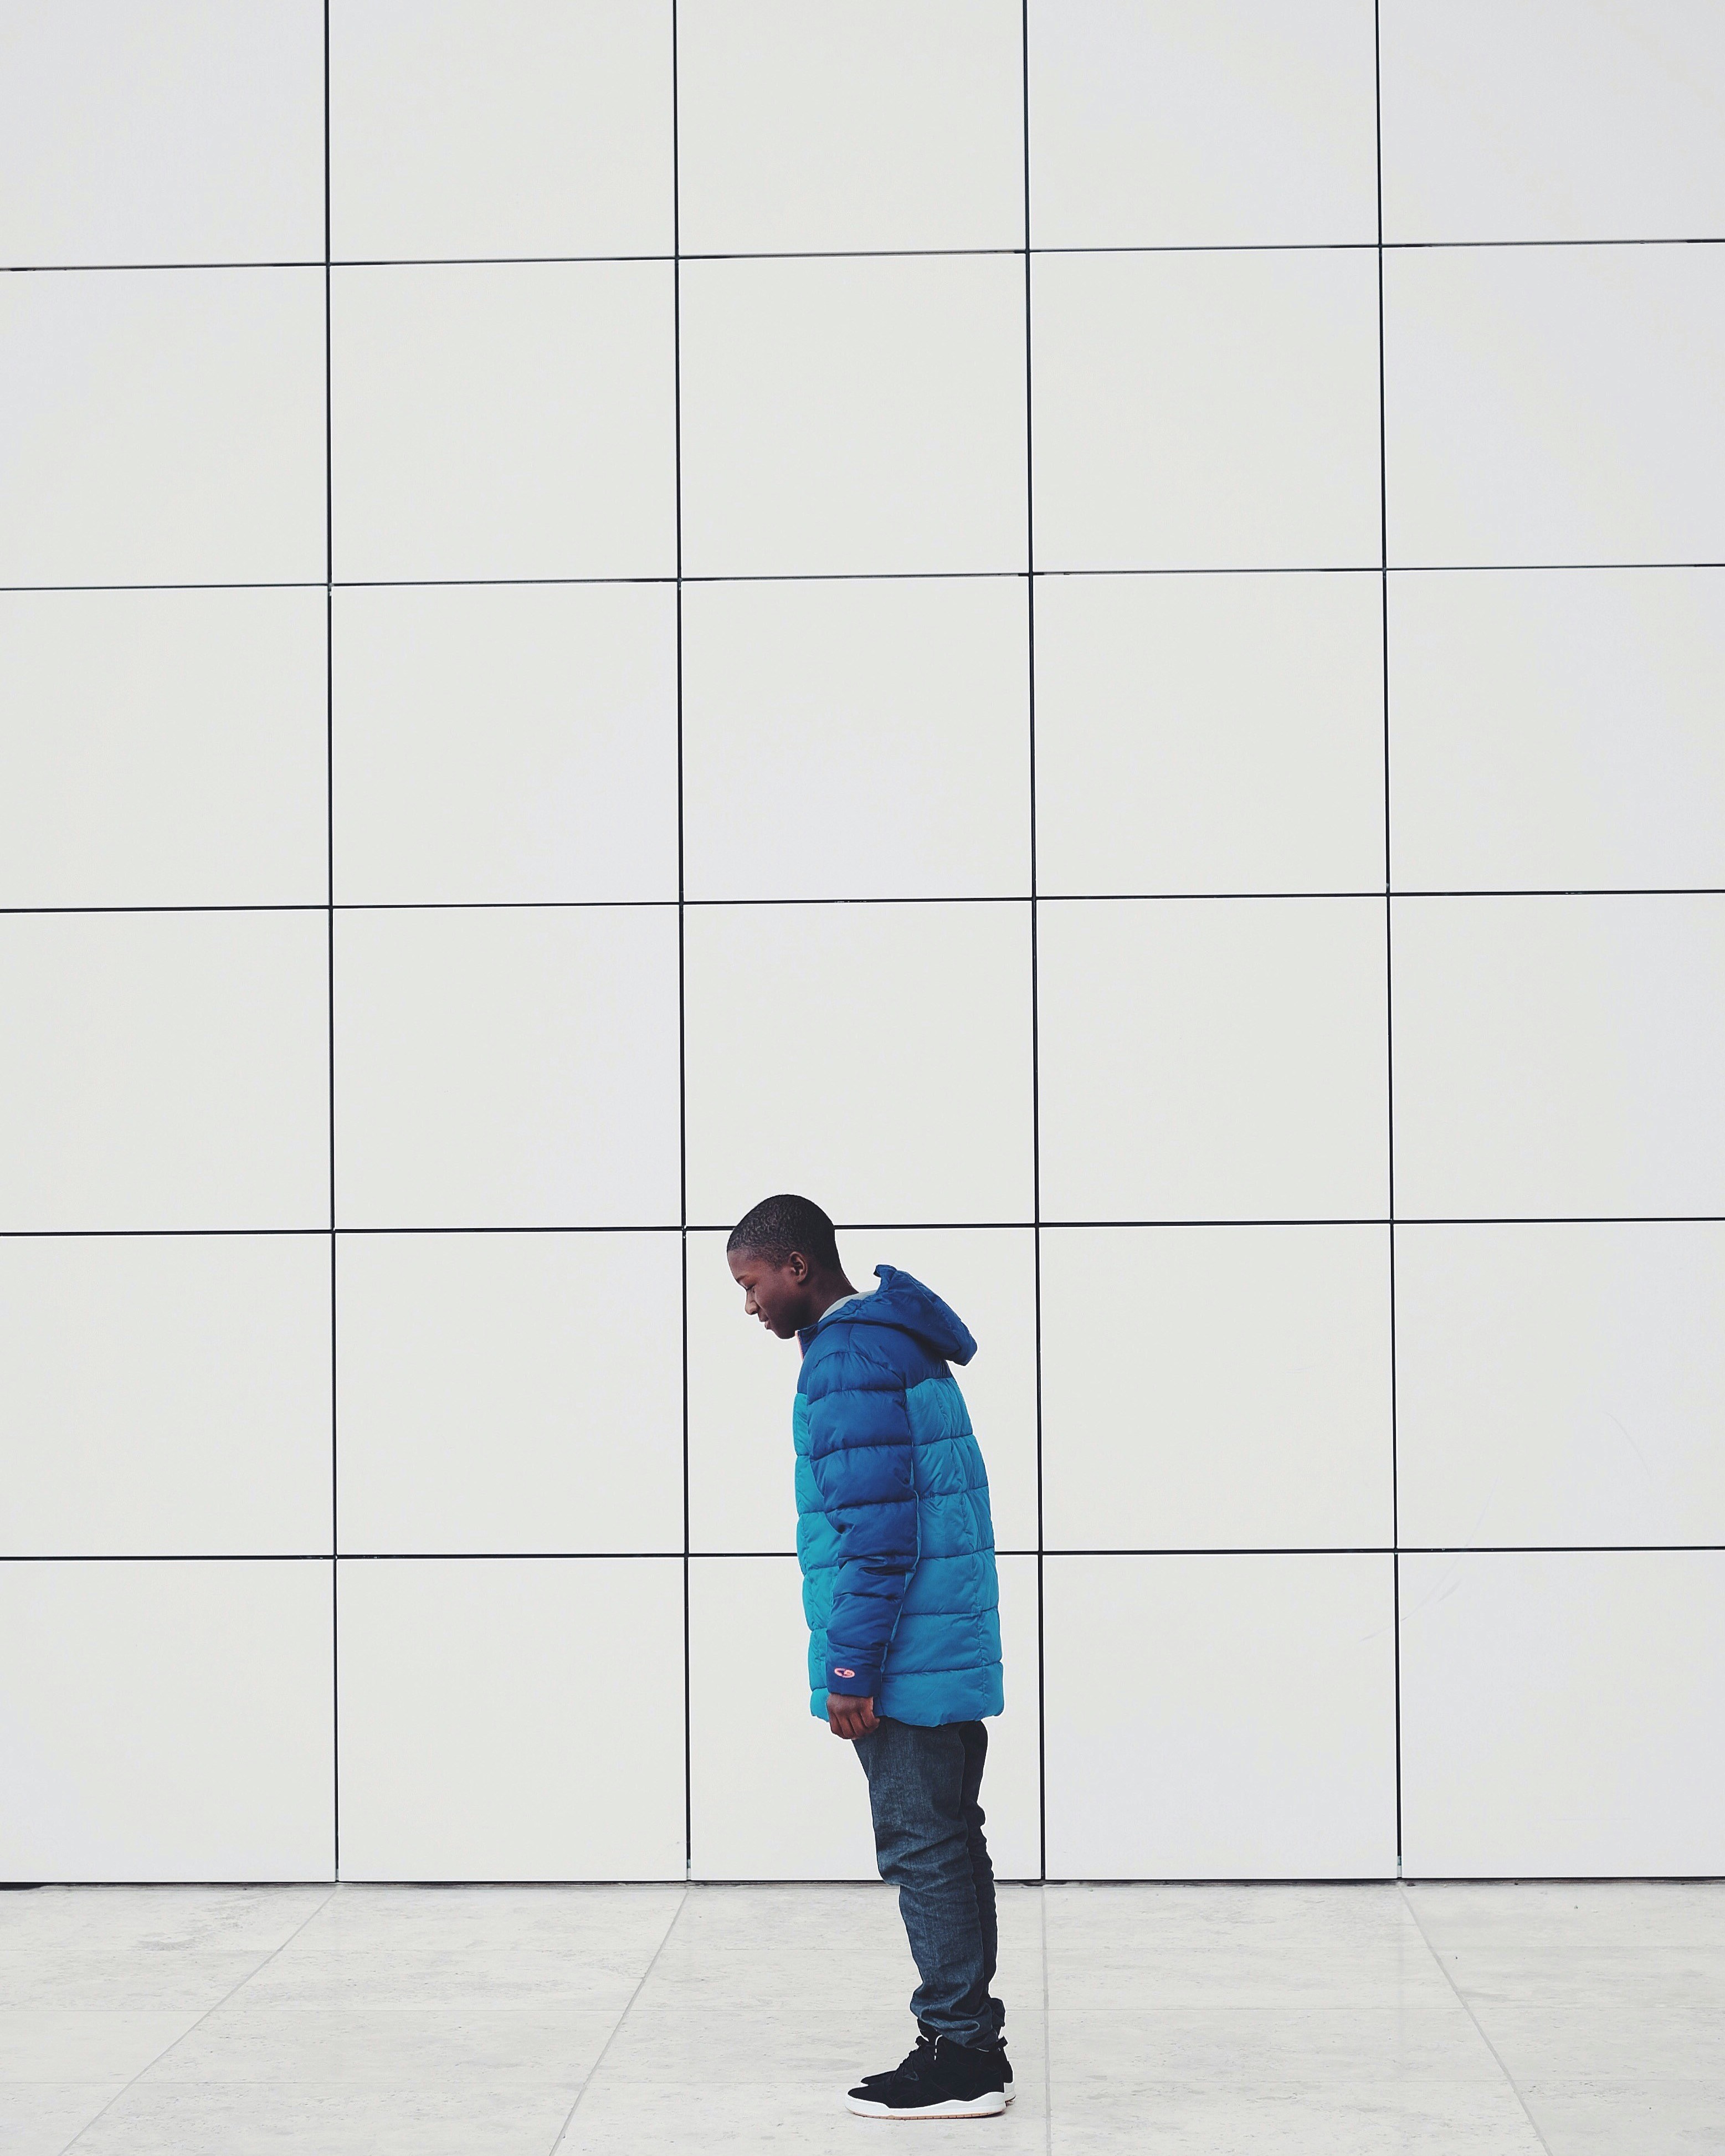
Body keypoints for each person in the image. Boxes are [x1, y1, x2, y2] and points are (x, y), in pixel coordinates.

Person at [726, 1192, 1012, 2121]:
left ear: (797, 1266)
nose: (750, 1305)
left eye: (753, 1282)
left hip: (903, 1655)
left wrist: (852, 1668)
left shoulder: (846, 1359)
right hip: (941, 1640)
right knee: (950, 1843)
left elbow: (877, 1535)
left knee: (924, 1848)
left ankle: (962, 2056)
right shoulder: (894, 1341)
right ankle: (964, 2040)